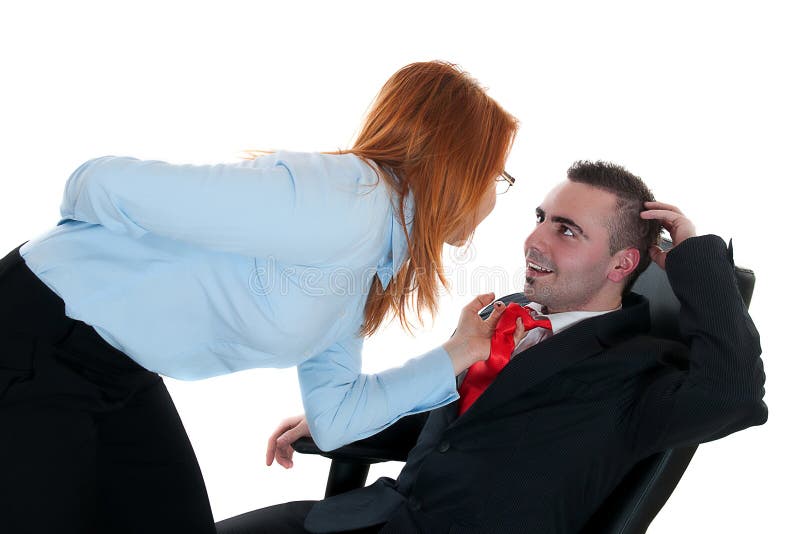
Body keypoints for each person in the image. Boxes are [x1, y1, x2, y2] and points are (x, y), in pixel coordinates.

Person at [0, 61, 518, 533]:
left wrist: (461, 351)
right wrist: (91, 264)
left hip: (117, 368)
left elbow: (336, 417)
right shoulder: (337, 203)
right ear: (460, 168)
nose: (495, 195)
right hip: (36, 334)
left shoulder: (373, 255)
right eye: (496, 176)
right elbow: (100, 183)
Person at [215, 160, 767, 533]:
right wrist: (356, 419)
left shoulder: (640, 369)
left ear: (622, 264)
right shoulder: (508, 314)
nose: (535, 240)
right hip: (375, 517)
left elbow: (735, 395)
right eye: (541, 219)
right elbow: (465, 428)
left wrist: (700, 262)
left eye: (567, 230)